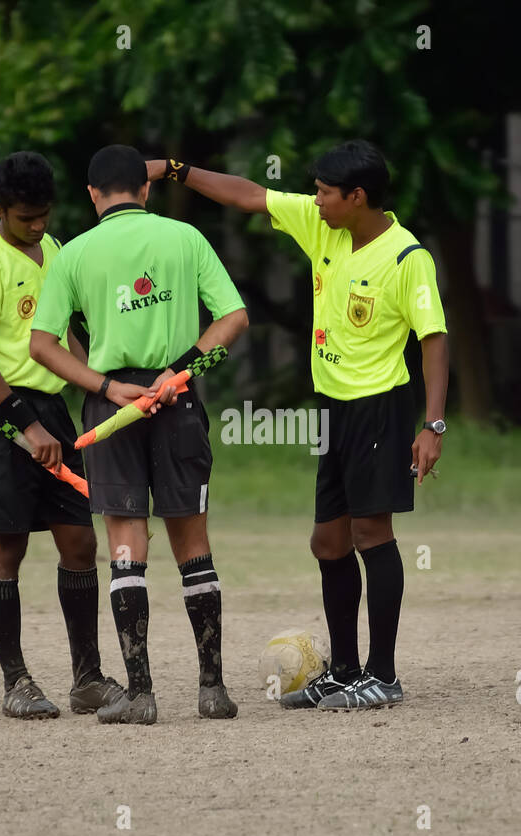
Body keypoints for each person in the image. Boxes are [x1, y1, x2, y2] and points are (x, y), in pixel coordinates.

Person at [147, 140, 450, 710]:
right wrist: (176, 170)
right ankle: (342, 670)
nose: (315, 200)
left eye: (324, 192)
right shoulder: (325, 228)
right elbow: (248, 196)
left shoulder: (408, 258)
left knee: (370, 535)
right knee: (327, 541)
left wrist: (433, 424)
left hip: (380, 406)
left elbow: (433, 340)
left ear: (356, 197)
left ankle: (382, 676)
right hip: (333, 409)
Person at [30, 144, 250, 725]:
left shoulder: (72, 255)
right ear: (145, 189)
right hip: (175, 402)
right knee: (193, 544)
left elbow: (42, 345)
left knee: (127, 545)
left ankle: (142, 693)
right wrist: (183, 373)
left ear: (93, 195)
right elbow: (233, 319)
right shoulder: (186, 238)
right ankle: (212, 690)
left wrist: (104, 387)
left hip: (112, 412)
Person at [0, 151, 125, 719]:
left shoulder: (54, 252)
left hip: (50, 411)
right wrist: (24, 423)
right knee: (9, 543)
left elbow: (64, 337)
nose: (37, 225)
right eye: (25, 216)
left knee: (79, 542)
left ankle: (87, 678)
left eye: (44, 215)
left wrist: (99, 395)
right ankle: (16, 682)